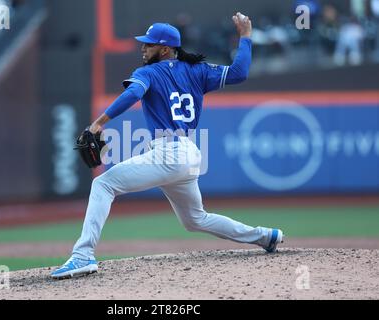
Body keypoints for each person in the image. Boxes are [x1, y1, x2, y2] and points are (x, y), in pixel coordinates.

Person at [51, 13, 284, 279]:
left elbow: (133, 93)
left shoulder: (148, 72)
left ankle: (82, 255)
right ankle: (266, 237)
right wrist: (245, 37)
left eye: (148, 44)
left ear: (164, 49)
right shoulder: (198, 70)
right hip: (188, 154)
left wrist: (99, 123)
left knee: (103, 184)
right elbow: (240, 72)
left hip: (170, 154)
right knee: (195, 219)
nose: (143, 47)